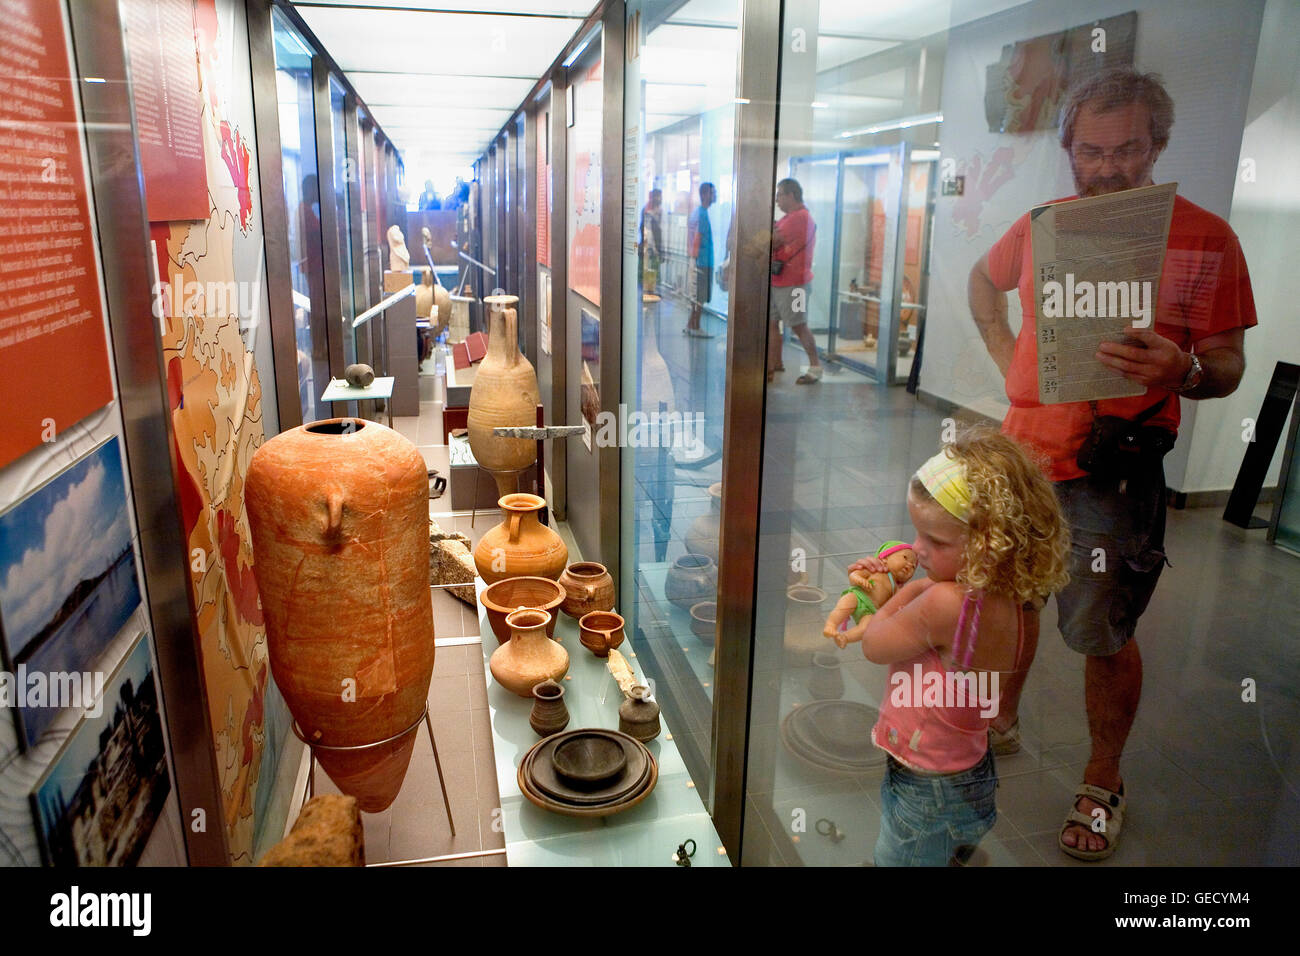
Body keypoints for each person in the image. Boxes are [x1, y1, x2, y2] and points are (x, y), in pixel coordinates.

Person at [967, 68, 1257, 860]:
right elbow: (982, 287)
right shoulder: (1040, 224)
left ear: (1156, 145)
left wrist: (1187, 372)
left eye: (1126, 149)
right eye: (1089, 151)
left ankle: (1103, 779)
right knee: (1007, 602)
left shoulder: (1205, 238)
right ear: (1068, 147)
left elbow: (1228, 362)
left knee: (1098, 631)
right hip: (1022, 460)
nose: (1106, 168)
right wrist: (1008, 366)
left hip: (1114, 471)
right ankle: (1002, 717)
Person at [855, 428, 1070, 866]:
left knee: (901, 855)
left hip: (924, 780)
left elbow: (875, 645)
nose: (917, 550)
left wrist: (888, 596)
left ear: (988, 545)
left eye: (935, 541)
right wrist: (914, 591)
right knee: (943, 842)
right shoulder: (1012, 594)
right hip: (972, 767)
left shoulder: (943, 602)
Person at [768, 178, 820, 383]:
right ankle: (774, 364)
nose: (776, 200)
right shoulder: (787, 218)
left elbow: (771, 240)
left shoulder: (799, 218)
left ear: (791, 195)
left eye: (779, 195)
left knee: (799, 325)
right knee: (772, 322)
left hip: (795, 285)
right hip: (779, 282)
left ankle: (815, 367)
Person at [685, 182, 715, 337]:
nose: (714, 195)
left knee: (697, 296)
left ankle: (691, 324)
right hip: (701, 262)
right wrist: (695, 260)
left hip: (699, 260)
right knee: (700, 297)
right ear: (704, 195)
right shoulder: (702, 214)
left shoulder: (698, 212)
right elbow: (697, 237)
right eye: (712, 192)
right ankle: (695, 326)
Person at [639, 188, 663, 294]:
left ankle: (650, 293)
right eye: (659, 196)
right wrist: (655, 249)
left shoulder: (653, 212)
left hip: (651, 250)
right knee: (649, 278)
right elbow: (648, 234)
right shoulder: (648, 212)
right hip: (649, 251)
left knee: (651, 277)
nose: (661, 199)